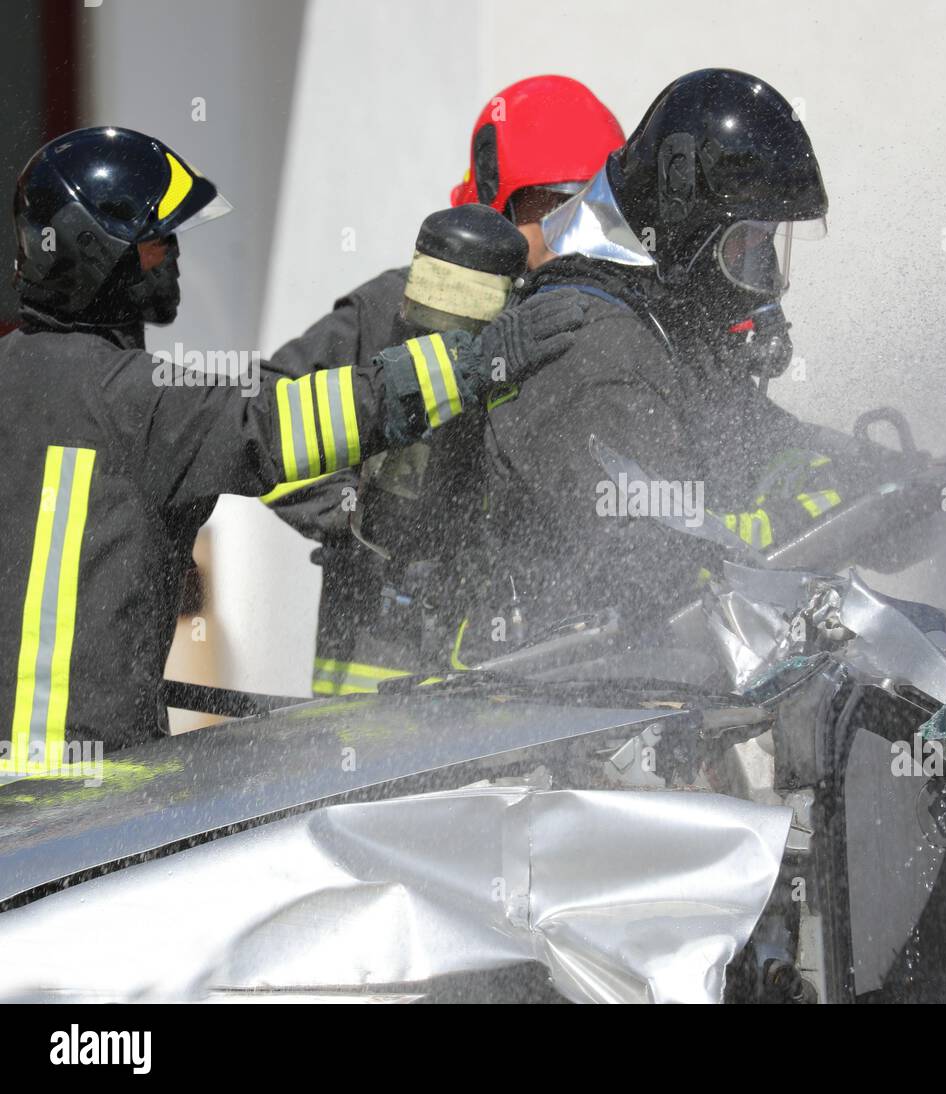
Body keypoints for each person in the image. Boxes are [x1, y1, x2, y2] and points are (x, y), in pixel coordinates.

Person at [0, 126, 584, 769]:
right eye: (157, 242)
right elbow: (281, 425)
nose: (172, 257)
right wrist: (470, 364)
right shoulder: (136, 402)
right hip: (65, 795)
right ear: (98, 253)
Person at [444, 69, 890, 666]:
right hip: (554, 728)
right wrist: (822, 512)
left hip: (643, 711)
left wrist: (882, 481)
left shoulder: (662, 326)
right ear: (688, 232)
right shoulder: (597, 353)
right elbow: (670, 557)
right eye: (746, 244)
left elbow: (753, 432)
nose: (764, 274)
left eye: (768, 245)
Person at [261, 75, 624, 693]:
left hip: (522, 684)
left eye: (599, 210)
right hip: (380, 679)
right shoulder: (395, 309)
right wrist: (357, 513)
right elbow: (269, 414)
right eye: (560, 207)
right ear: (498, 206)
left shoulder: (595, 322)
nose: (581, 234)